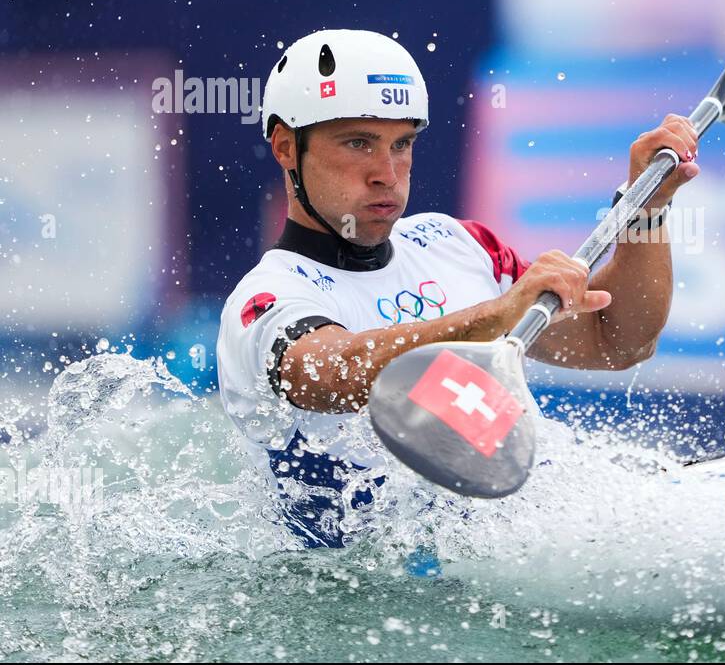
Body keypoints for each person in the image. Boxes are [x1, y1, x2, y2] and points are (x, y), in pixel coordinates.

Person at [215, 29, 699, 547]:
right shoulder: (265, 299)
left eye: (402, 144)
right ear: (287, 147)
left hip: (519, 546)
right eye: (358, 143)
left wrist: (646, 210)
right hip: (370, 595)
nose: (387, 173)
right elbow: (332, 373)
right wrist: (496, 315)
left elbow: (618, 342)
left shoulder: (457, 243)